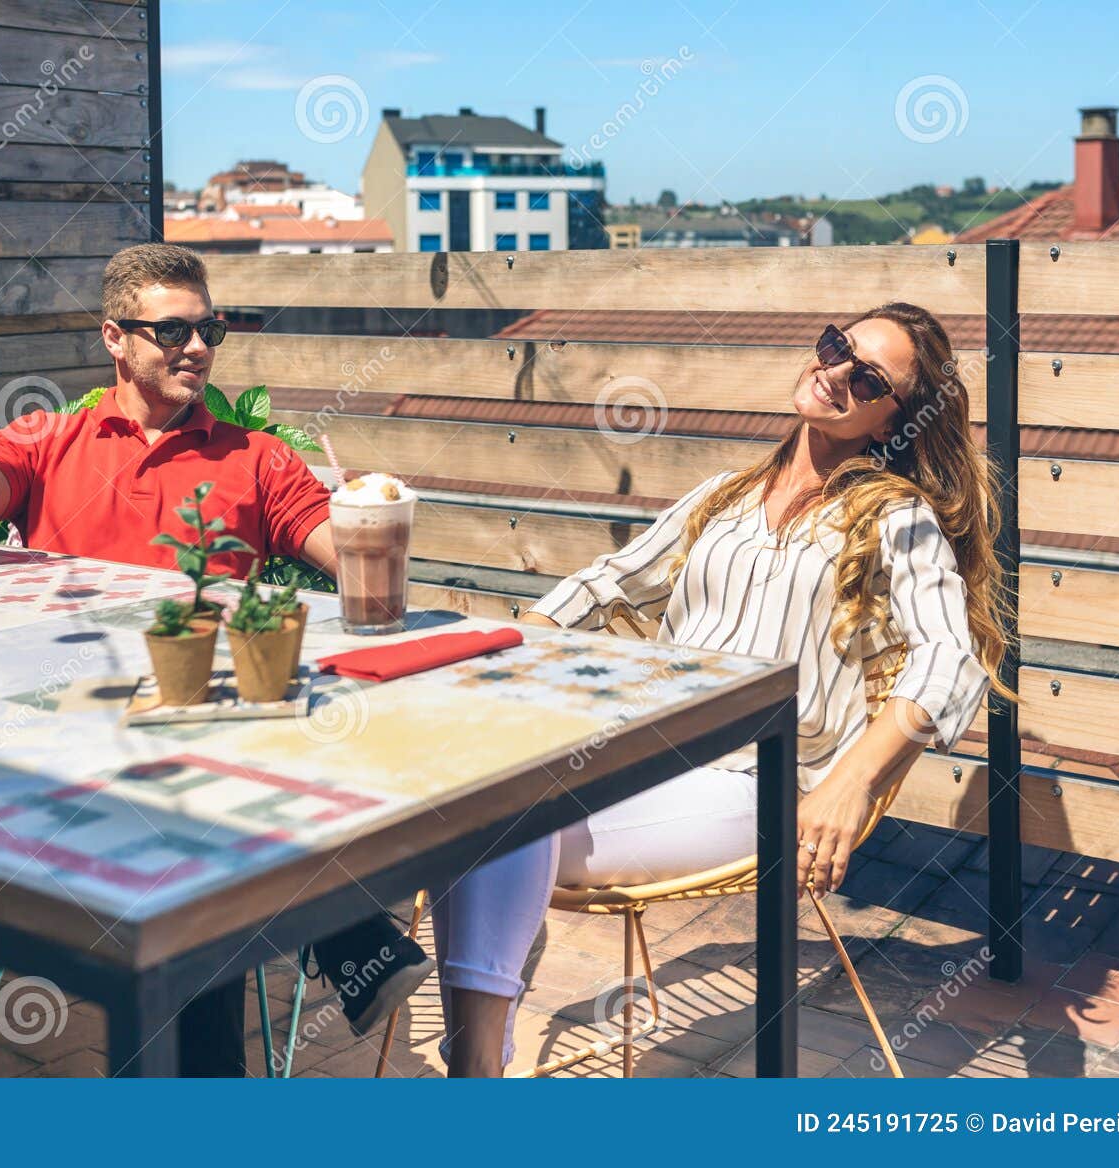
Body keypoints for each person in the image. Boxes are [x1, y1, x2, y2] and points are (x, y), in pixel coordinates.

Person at [0, 243, 431, 1074]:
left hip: (201, 749)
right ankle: (345, 938)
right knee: (198, 843)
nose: (197, 347)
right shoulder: (47, 439)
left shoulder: (256, 457)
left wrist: (366, 525)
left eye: (210, 329)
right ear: (115, 338)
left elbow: (339, 552)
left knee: (196, 844)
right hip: (65, 750)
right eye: (172, 331)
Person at [430, 302, 1012, 1076]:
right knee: (458, 783)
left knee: (502, 813)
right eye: (835, 345)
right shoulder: (725, 496)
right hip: (644, 755)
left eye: (866, 376)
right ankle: (474, 1069)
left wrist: (849, 784)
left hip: (761, 783)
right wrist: (504, 656)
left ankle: (474, 1074)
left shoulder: (894, 519)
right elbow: (605, 586)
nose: (834, 370)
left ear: (890, 423)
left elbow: (948, 660)